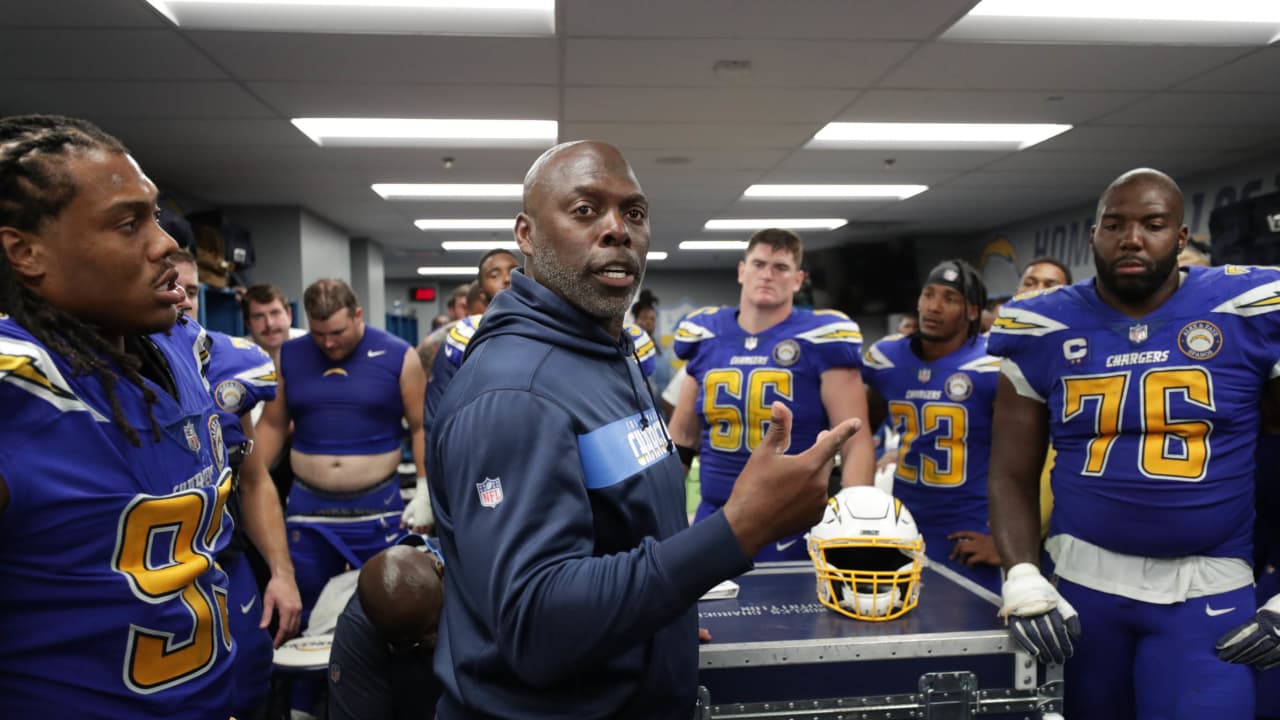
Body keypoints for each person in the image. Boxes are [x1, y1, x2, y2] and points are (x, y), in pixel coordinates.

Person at [428, 140, 860, 718]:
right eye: (585, 210)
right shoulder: (516, 392)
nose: (616, 229)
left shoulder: (607, 351)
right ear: (526, 236)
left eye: (633, 212)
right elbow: (537, 625)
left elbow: (621, 541)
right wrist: (739, 528)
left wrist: (660, 617)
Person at [987, 168, 1280, 719]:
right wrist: (1022, 576)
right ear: (1094, 234)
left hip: (1209, 590)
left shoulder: (1249, 307)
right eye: (1115, 224)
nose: (1132, 238)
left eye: (1153, 223)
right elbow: (1009, 471)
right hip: (1082, 591)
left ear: (1182, 235)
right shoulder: (1040, 324)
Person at [0, 114, 235, 716]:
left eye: (154, 215)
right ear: (26, 252)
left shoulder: (181, 345)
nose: (165, 243)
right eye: (128, 224)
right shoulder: (18, 389)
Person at [668, 228, 876, 561]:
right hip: (715, 517)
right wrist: (657, 510)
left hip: (791, 521)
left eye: (780, 267)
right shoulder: (706, 334)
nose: (767, 274)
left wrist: (853, 523)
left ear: (798, 279)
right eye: (759, 263)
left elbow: (856, 438)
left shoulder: (823, 337)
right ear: (741, 271)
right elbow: (682, 437)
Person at [173, 251, 303, 718]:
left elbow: (252, 477)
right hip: (143, 577)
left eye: (189, 290)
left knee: (249, 679)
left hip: (223, 559)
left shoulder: (227, 365)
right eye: (170, 285)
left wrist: (281, 573)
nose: (180, 300)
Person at [254, 278, 428, 626]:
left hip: (377, 509)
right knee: (302, 615)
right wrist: (246, 477)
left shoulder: (399, 355)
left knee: (387, 614)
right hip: (308, 509)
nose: (329, 343)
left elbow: (422, 425)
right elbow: (273, 425)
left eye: (337, 332)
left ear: (358, 315)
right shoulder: (289, 355)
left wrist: (426, 489)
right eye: (319, 334)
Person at [862, 259, 1002, 591]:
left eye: (949, 299)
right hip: (904, 525)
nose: (933, 307)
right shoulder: (887, 359)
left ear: (971, 311)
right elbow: (855, 425)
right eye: (928, 295)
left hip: (968, 531)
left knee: (969, 637)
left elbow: (1025, 459)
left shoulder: (992, 365)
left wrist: (1003, 538)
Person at [328, 544, 445, 720]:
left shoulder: (477, 567)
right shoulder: (360, 629)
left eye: (436, 625)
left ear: (441, 571)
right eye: (417, 640)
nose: (433, 641)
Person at [241, 283, 306, 366]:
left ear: (289, 315)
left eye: (275, 313)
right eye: (259, 317)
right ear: (247, 323)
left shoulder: (313, 346)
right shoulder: (237, 354)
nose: (269, 324)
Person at [632, 288, 675, 396]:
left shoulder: (662, 353)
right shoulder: (629, 351)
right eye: (644, 318)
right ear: (636, 320)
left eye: (652, 319)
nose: (649, 322)